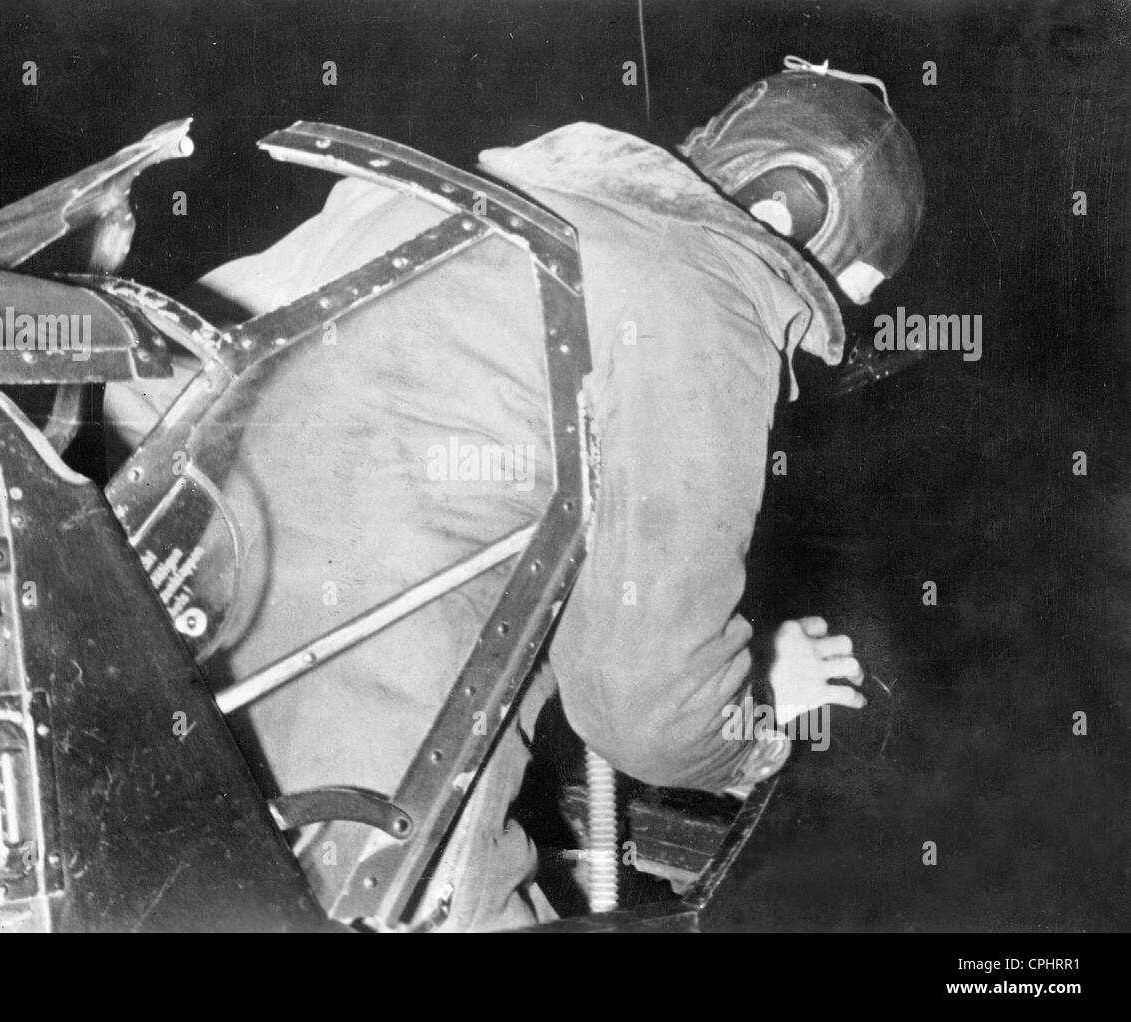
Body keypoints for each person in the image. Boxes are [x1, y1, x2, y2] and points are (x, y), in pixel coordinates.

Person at [107, 56, 925, 931]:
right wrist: (765, 712)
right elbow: (647, 713)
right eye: (850, 293)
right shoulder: (707, 297)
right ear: (788, 228)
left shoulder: (441, 198)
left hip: (129, 743)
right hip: (350, 838)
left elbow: (145, 397)